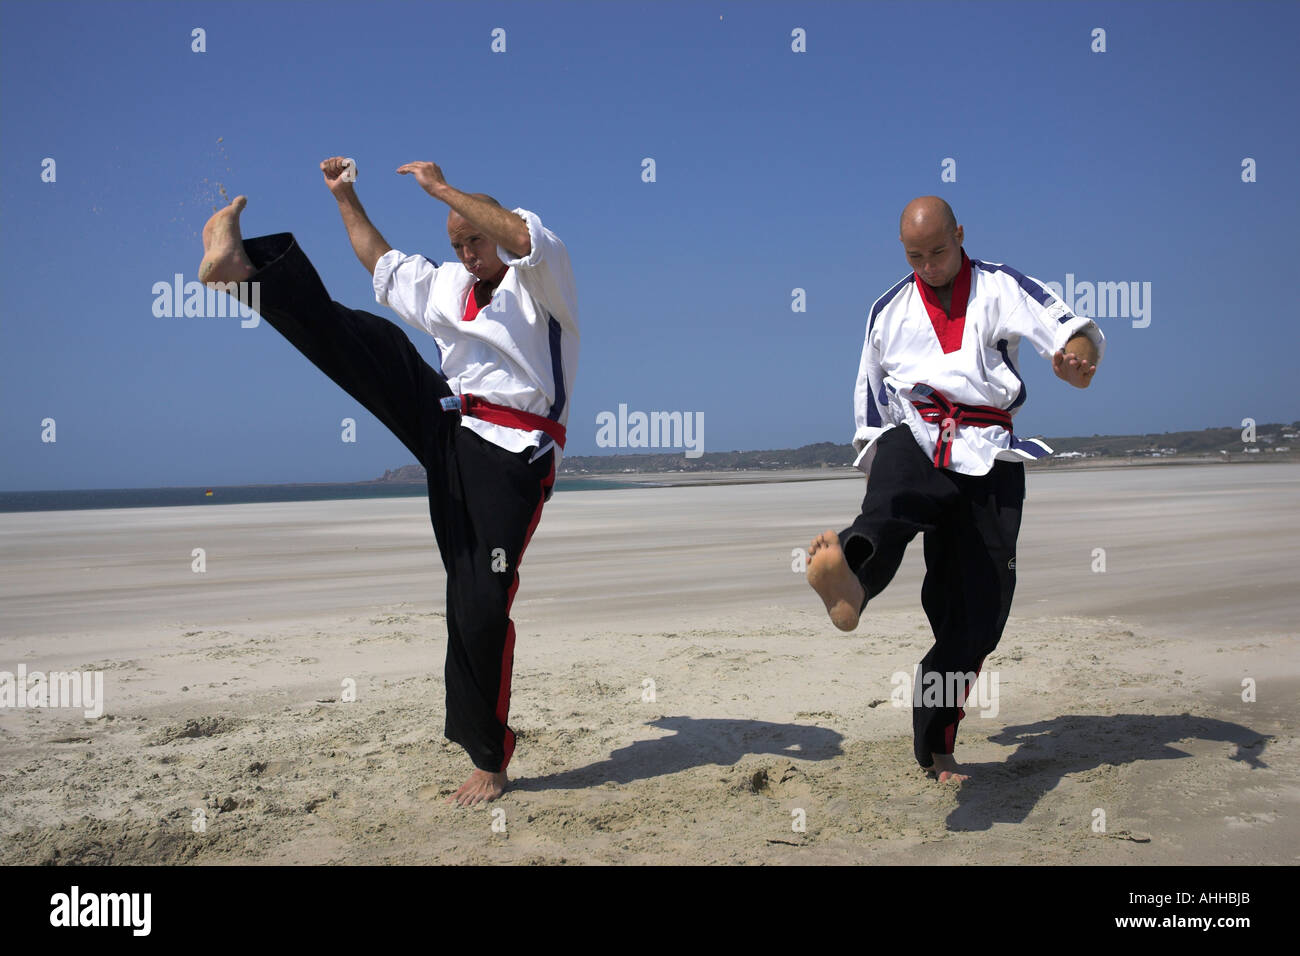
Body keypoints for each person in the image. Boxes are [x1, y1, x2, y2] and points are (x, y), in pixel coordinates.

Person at [198, 157, 579, 805]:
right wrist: (346, 196)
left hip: (512, 454)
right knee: (371, 342)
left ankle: (488, 757)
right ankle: (246, 275)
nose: (468, 253)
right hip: (449, 424)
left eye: (474, 240)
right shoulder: (446, 284)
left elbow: (516, 235)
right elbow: (380, 260)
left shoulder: (541, 277)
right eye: (457, 244)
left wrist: (442, 191)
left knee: (478, 601)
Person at [806, 196, 1102, 783]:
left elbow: (1068, 330)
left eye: (939, 251)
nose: (930, 265)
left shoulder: (1000, 286)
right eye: (916, 256)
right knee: (887, 509)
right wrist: (879, 456)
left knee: (975, 617)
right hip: (914, 433)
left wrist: (1078, 361)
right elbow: (868, 401)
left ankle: (938, 746)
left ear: (961, 235)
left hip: (989, 455)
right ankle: (851, 584)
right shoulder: (886, 310)